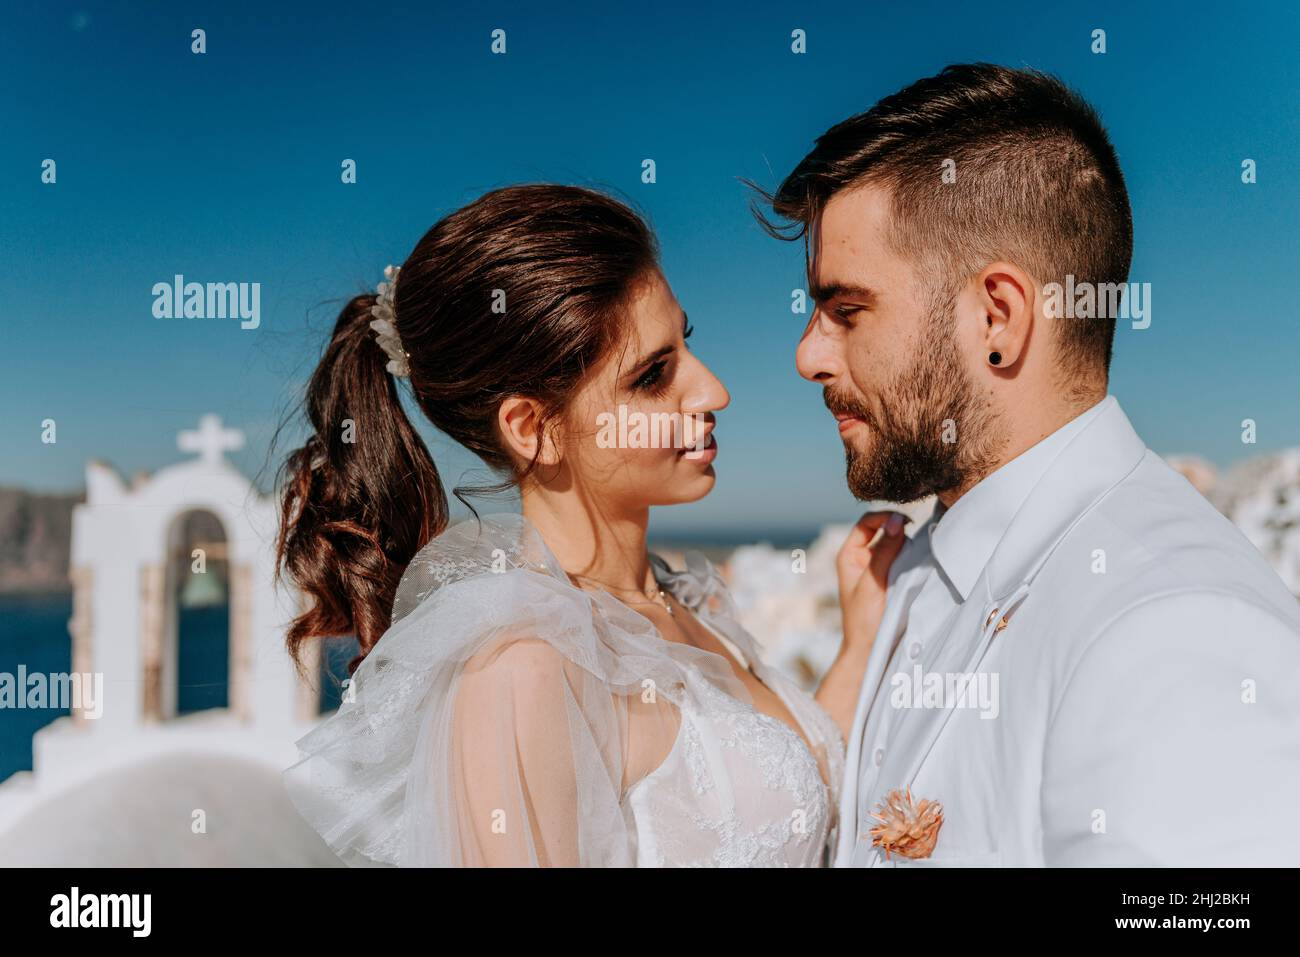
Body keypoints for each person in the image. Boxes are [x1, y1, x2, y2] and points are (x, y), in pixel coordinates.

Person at [755, 63, 1300, 866]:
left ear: (997, 319)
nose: (808, 355)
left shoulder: (1173, 627)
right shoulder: (910, 569)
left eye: (846, 310)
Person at [276, 184, 895, 867]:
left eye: (685, 344)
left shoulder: (683, 604)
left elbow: (795, 805)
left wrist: (861, 638)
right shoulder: (523, 669)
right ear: (534, 429)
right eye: (653, 375)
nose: (714, 390)